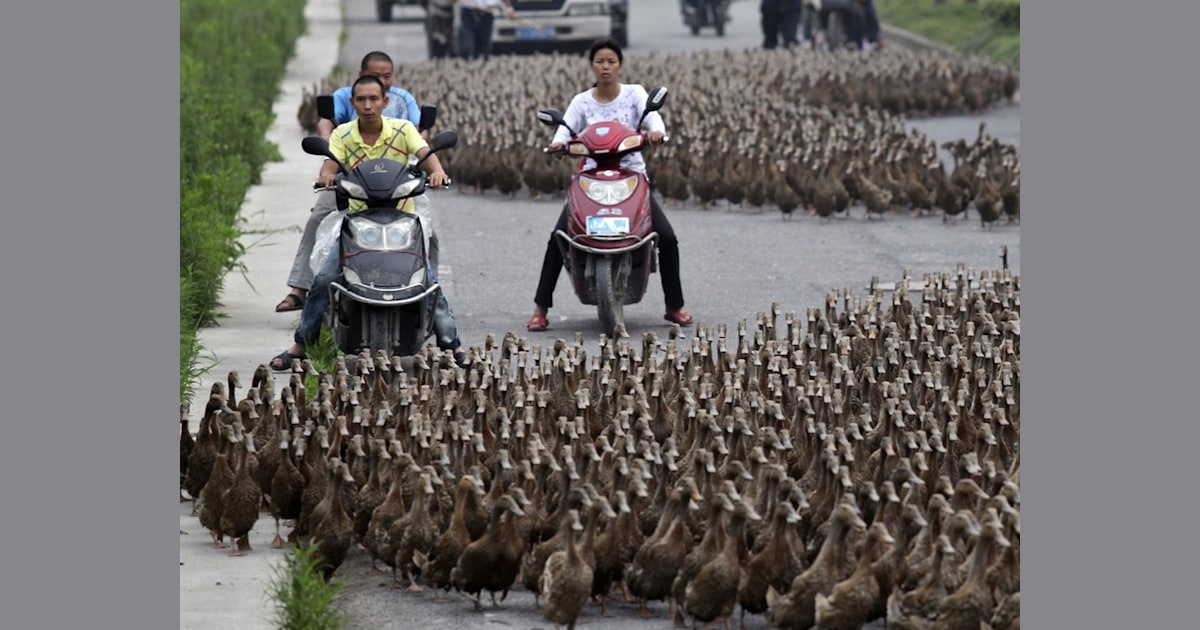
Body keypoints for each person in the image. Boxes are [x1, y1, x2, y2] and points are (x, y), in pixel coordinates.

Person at [269, 75, 464, 371]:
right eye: (361, 100)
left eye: (374, 99)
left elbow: (425, 154)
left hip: (402, 218)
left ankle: (452, 344)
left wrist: (437, 172)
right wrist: (327, 176)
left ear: (385, 102)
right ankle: (301, 344)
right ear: (353, 103)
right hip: (358, 219)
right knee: (324, 278)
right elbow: (329, 164)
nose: (368, 105)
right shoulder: (343, 134)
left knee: (428, 281)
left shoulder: (403, 129)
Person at [527, 38, 693, 333]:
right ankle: (540, 309)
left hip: (631, 176)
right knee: (558, 238)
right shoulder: (581, 101)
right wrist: (558, 144)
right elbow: (564, 130)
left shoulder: (635, 94)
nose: (605, 67)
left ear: (619, 65)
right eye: (600, 61)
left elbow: (655, 120)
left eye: (611, 61)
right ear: (592, 66)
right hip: (590, 178)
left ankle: (674, 305)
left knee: (667, 238)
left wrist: (656, 133)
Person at [275, 51, 424, 314]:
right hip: (350, 180)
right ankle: (301, 287)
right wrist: (329, 163)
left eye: (386, 76)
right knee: (319, 218)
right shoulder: (344, 102)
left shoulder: (403, 101)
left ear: (385, 99)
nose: (369, 104)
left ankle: (427, 292)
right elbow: (326, 124)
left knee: (426, 232)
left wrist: (429, 165)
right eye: (375, 75)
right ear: (360, 77)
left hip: (395, 182)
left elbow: (420, 133)